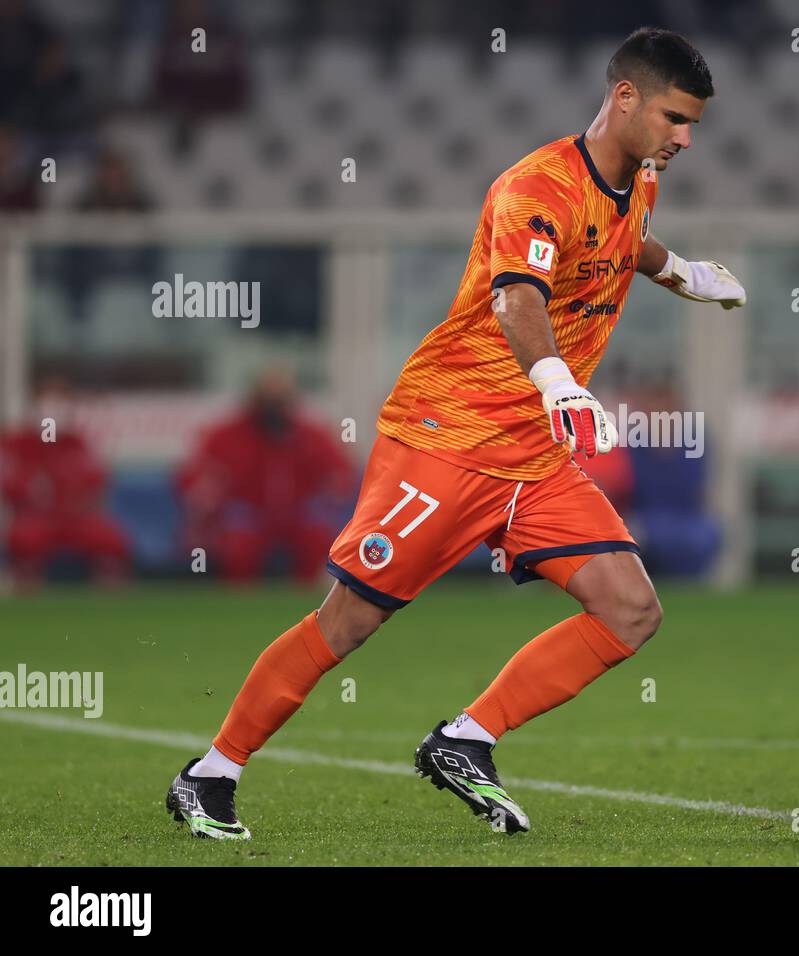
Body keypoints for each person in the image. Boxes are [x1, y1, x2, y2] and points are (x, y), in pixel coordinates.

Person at [165, 27, 746, 840]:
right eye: (676, 119)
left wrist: (682, 272)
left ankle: (464, 740)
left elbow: (618, 242)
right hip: (449, 438)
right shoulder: (534, 188)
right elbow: (518, 300)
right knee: (350, 622)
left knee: (630, 610)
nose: (685, 139)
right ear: (625, 98)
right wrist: (558, 383)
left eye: (693, 125)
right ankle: (211, 774)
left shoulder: (641, 178)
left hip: (533, 458)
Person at [175, 367, 355, 584]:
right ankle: (238, 605)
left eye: (280, 400)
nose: (274, 407)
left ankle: (308, 605)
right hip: (248, 518)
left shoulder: (312, 435)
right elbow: (192, 477)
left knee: (317, 537)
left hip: (297, 517)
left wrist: (326, 499)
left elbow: (342, 474)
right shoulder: (226, 435)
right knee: (237, 546)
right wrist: (212, 501)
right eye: (268, 399)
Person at [0, 378, 129, 587]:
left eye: (59, 404)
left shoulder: (77, 442)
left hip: (75, 517)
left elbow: (98, 482)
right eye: (48, 404)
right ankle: (24, 588)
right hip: (35, 517)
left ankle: (111, 596)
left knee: (110, 537)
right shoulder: (17, 442)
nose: (53, 411)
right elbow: (9, 485)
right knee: (25, 537)